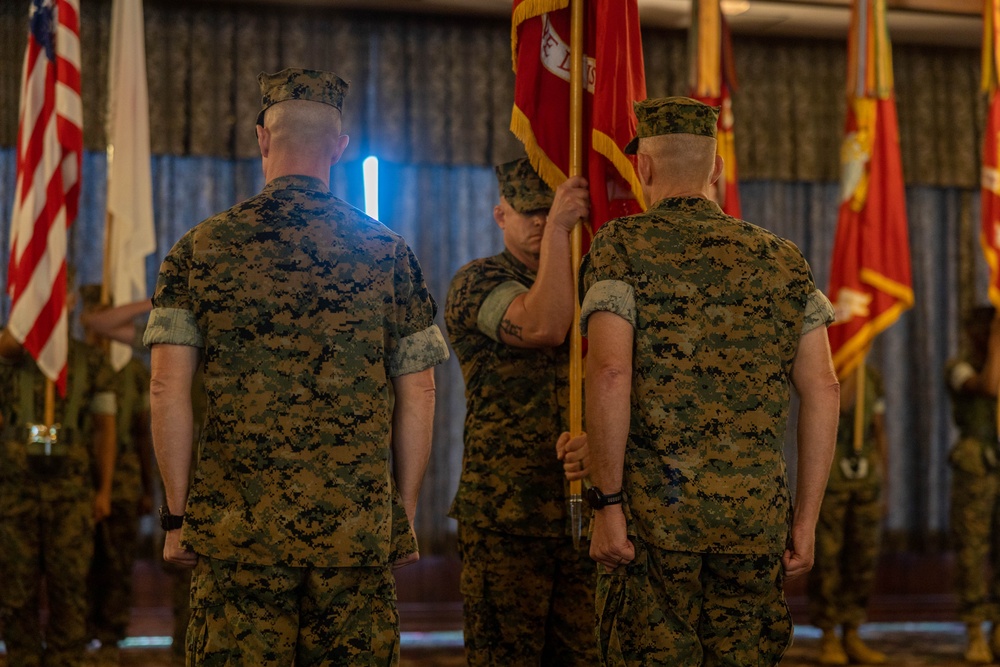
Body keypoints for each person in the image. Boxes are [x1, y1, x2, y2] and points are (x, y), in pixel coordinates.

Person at [143, 67, 449, 665]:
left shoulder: (199, 249)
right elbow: (422, 394)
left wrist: (178, 514)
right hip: (355, 538)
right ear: (340, 147)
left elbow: (165, 388)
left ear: (261, 137)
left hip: (238, 538)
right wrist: (402, 515)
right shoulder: (388, 253)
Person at [580, 96, 840, 666]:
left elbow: (609, 371)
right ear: (715, 167)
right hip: (754, 523)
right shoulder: (783, 260)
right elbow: (824, 388)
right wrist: (806, 521)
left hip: (654, 525)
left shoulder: (620, 247)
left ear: (643, 168)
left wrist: (607, 507)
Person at [445, 156, 596, 666]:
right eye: (529, 212)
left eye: (548, 210)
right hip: (506, 515)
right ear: (499, 215)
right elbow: (544, 326)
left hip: (591, 510)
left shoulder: (597, 286)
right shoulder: (477, 282)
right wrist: (559, 229)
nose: (538, 221)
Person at [0, 278, 118, 666]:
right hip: (15, 492)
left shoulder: (91, 359)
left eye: (58, 292)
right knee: (15, 589)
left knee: (69, 587)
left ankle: (65, 659)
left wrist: (103, 490)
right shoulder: (11, 355)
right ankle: (21, 658)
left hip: (71, 491)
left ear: (70, 300)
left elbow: (105, 428)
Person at [79, 286, 155, 666]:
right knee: (78, 563)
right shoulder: (70, 363)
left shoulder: (131, 371)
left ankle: (111, 634)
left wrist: (147, 487)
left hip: (123, 478)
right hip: (76, 478)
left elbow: (143, 433)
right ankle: (80, 632)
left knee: (117, 562)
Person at [808, 363, 888, 665]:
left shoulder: (873, 377)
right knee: (828, 557)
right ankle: (828, 635)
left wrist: (885, 481)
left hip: (866, 481)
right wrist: (852, 360)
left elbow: (879, 428)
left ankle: (852, 631)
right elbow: (845, 405)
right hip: (832, 479)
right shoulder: (834, 368)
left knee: (862, 558)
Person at [946, 306, 1000, 664]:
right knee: (973, 551)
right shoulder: (958, 367)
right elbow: (989, 386)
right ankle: (974, 630)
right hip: (975, 463)